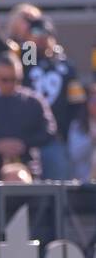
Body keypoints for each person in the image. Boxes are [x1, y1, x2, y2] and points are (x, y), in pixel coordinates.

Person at [0, 52, 56, 181]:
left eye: (15, 79)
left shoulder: (33, 102)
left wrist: (24, 143)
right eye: (4, 80)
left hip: (28, 169)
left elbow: (49, 131)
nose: (10, 84)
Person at [20, 17, 87, 180]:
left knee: (58, 183)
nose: (40, 38)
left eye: (44, 33)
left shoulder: (65, 66)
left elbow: (76, 102)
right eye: (34, 34)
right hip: (26, 136)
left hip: (55, 137)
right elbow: (23, 68)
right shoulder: (29, 61)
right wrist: (28, 45)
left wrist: (67, 132)